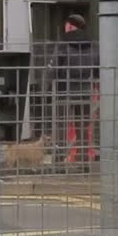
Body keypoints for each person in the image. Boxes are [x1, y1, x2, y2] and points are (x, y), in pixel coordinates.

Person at [50, 14, 99, 165]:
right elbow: (97, 65)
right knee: (82, 123)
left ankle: (59, 155)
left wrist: (50, 81)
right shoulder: (92, 43)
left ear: (71, 26)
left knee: (61, 122)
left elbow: (55, 65)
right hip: (85, 87)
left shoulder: (64, 42)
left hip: (64, 88)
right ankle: (83, 155)